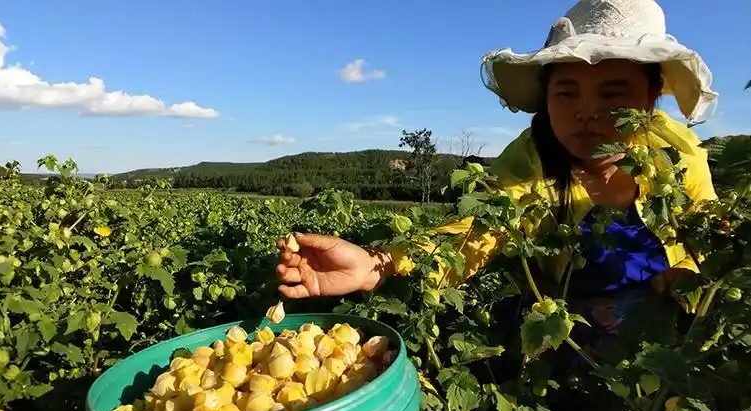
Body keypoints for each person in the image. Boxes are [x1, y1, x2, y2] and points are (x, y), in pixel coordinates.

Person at [275, 0, 718, 342]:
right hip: (564, 337)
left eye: (612, 93)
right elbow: (475, 231)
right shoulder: (531, 158)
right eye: (567, 94)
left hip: (662, 338)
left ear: (651, 93)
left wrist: (695, 281)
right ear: (546, 98)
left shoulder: (678, 155)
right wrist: (379, 264)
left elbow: (712, 237)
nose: (587, 113)